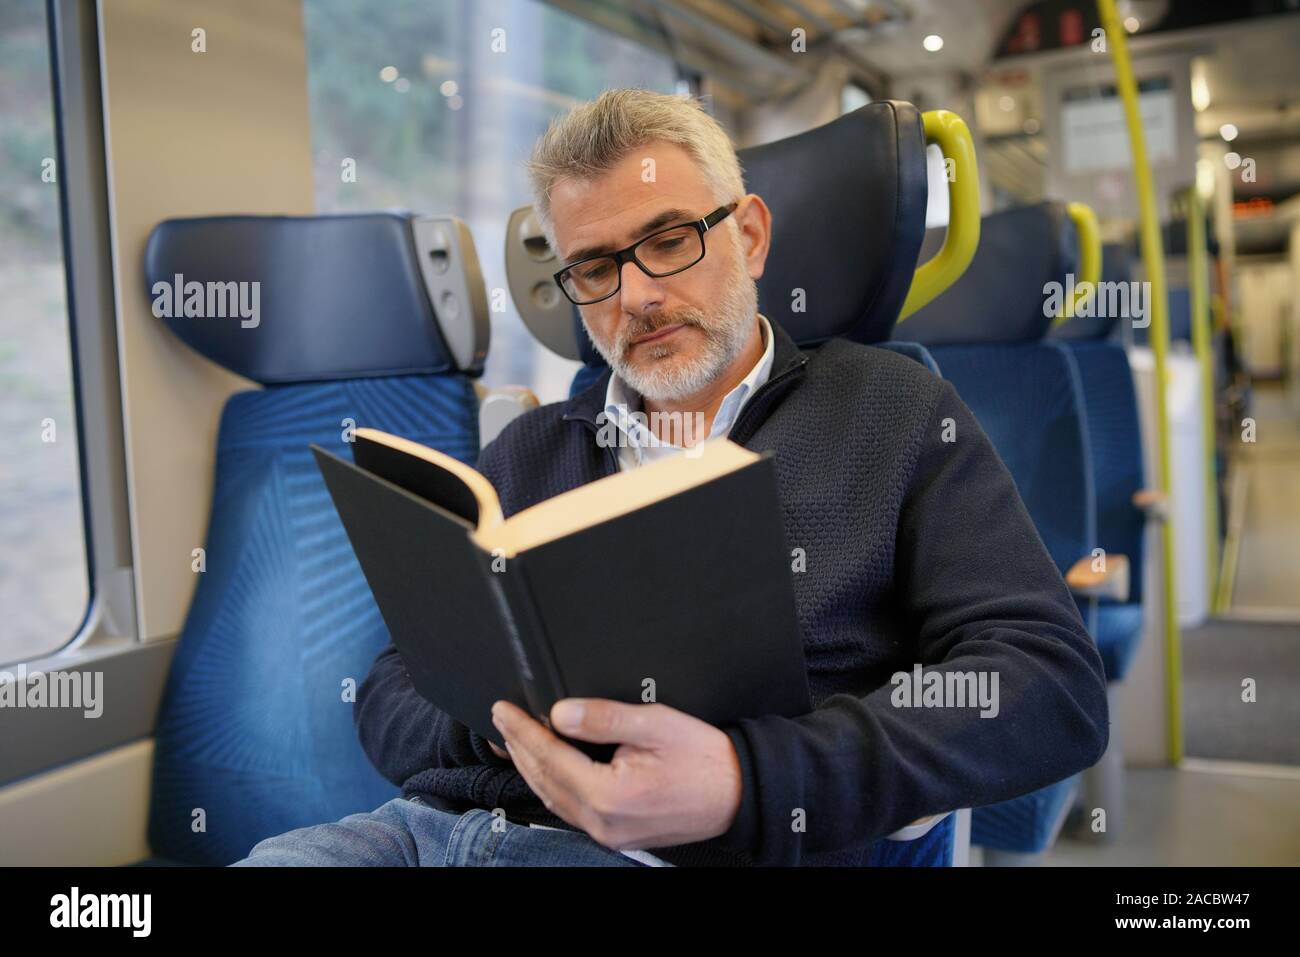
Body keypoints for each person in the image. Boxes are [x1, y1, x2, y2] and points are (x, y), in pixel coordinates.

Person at [233, 88, 1108, 868]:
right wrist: (505, 723)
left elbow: (1047, 685)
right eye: (597, 266)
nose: (638, 295)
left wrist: (745, 779)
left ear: (752, 235)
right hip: (431, 831)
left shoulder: (895, 411)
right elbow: (387, 685)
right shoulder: (530, 450)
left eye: (669, 240)